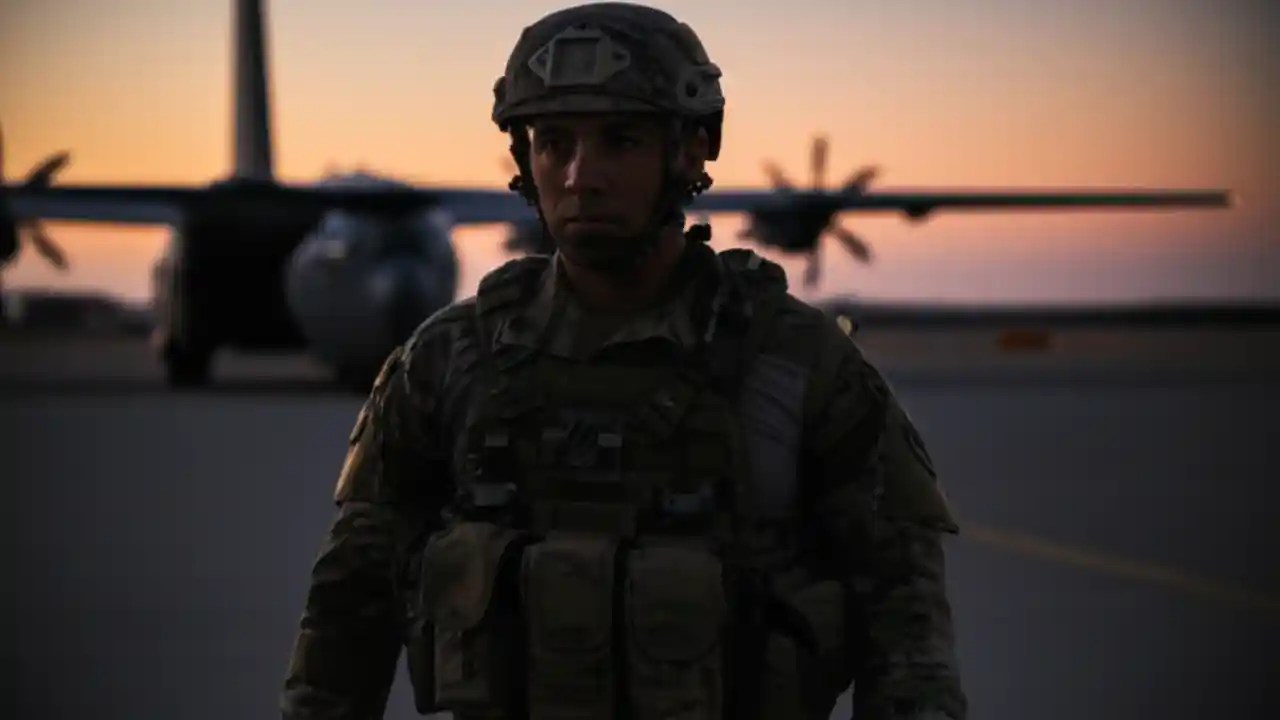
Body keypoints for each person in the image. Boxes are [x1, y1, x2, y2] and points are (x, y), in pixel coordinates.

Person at [281, 3, 966, 719]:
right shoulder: (447, 362)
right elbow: (344, 621)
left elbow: (908, 638)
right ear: (524, 160)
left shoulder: (798, 366)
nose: (582, 176)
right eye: (553, 143)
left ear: (691, 152)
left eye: (621, 141)